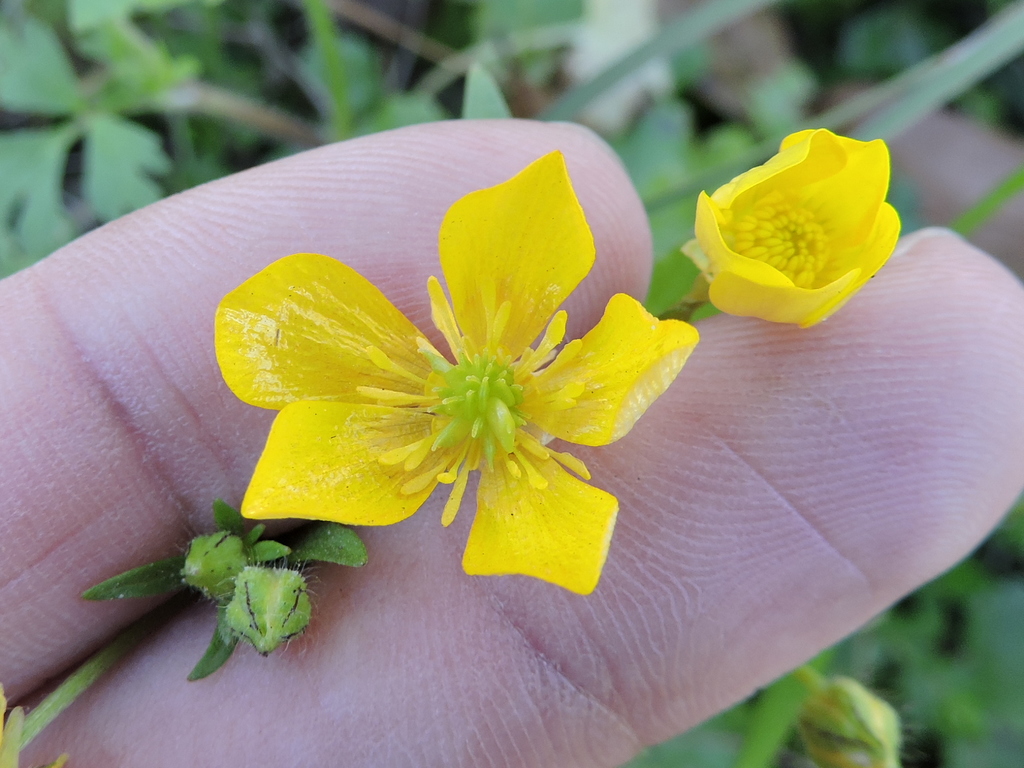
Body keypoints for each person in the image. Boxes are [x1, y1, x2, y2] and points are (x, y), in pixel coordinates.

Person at [2, 120, 1023, 767]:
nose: (481, 385)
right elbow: (292, 452)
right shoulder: (316, 453)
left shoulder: (630, 357)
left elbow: (633, 356)